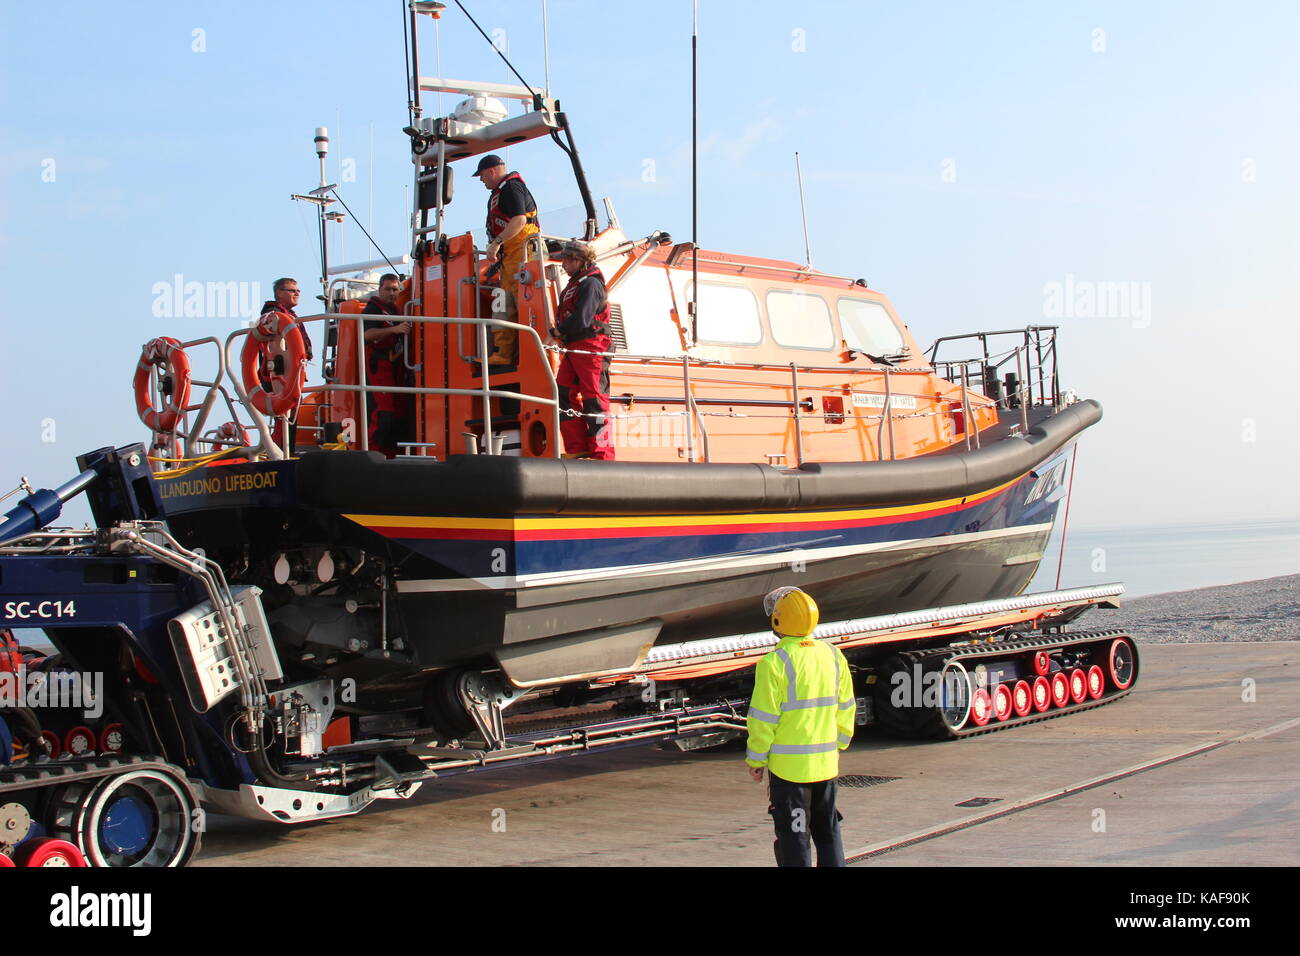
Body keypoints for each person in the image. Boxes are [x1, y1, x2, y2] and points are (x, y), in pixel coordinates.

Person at [745, 587, 855, 867]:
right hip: (826, 766)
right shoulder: (833, 655)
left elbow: (762, 720)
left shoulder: (774, 663)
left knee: (795, 838)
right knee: (828, 832)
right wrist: (839, 744)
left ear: (779, 622)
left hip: (789, 773)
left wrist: (756, 760)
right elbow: (846, 707)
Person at [473, 154, 539, 365]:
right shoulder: (501, 191)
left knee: (521, 303)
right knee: (503, 303)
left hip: (521, 253)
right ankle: (504, 352)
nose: (481, 180)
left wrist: (497, 242)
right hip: (510, 257)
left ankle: (526, 352)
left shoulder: (511, 188)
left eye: (482, 175)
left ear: (492, 171)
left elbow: (519, 219)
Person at [552, 240, 615, 460]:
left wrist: (558, 331)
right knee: (561, 394)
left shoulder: (591, 284)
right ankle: (577, 447)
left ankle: (603, 454)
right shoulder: (575, 284)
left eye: (565, 261)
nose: (563, 266)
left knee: (594, 399)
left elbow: (583, 317)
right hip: (575, 347)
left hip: (592, 346)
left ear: (576, 260)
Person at [362, 273, 413, 458]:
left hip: (396, 366)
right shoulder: (372, 309)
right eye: (388, 289)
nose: (392, 293)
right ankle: (373, 453)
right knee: (384, 412)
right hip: (379, 364)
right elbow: (367, 334)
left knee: (400, 413)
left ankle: (393, 454)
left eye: (395, 289)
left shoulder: (395, 310)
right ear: (379, 289)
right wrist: (394, 329)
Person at [258, 277, 312, 451]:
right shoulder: (272, 316)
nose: (297, 294)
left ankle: (285, 449)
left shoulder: (288, 316)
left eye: (298, 291)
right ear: (279, 293)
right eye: (292, 290)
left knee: (292, 410)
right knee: (285, 411)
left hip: (291, 373)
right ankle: (281, 449)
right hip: (278, 373)